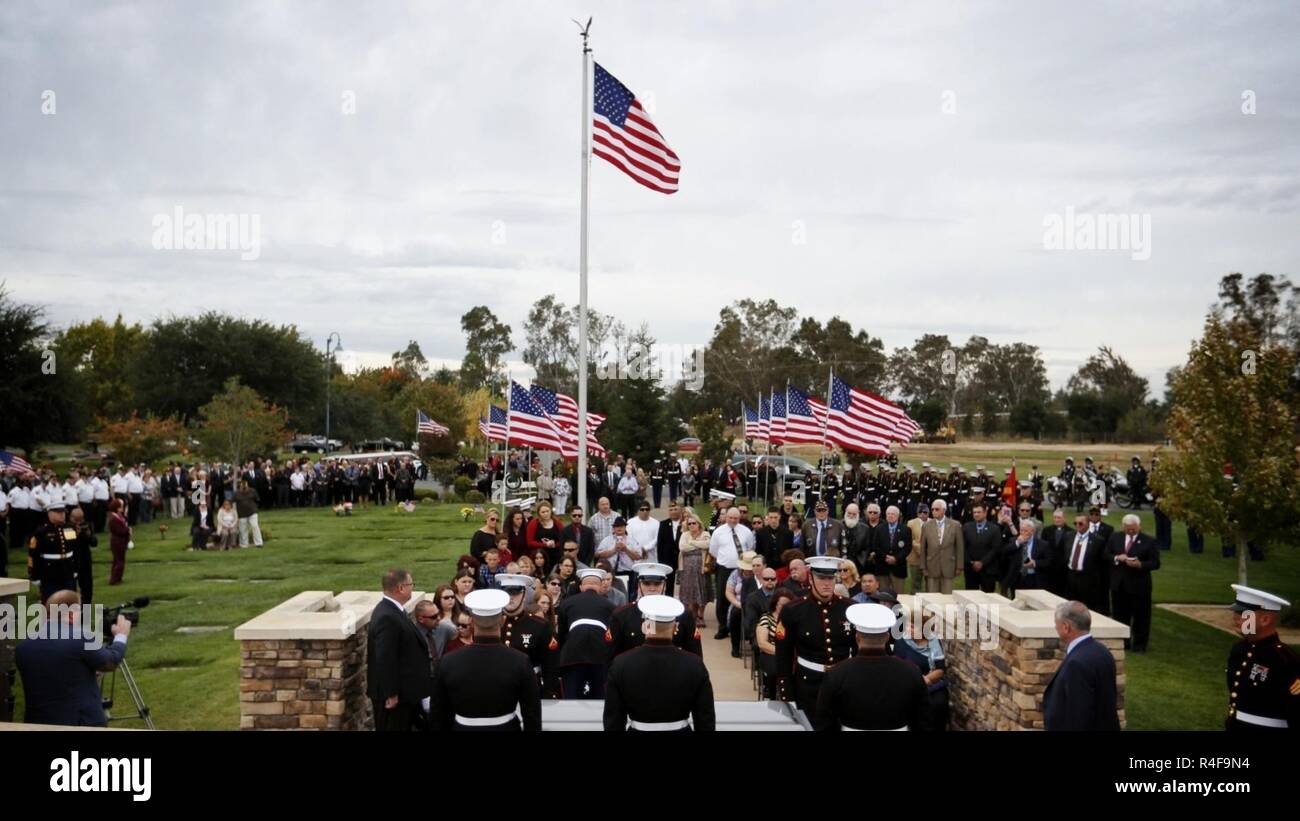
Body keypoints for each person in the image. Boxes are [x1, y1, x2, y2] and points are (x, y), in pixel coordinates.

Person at [15, 590, 132, 726]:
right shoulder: (80, 637)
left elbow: (54, 674)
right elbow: (110, 662)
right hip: (80, 722)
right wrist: (121, 636)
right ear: (71, 614)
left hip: (38, 723)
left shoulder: (23, 647)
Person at [431, 588, 542, 731]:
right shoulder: (519, 661)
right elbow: (531, 713)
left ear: (471, 621)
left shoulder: (448, 661)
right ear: (502, 621)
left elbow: (438, 714)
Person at [604, 595, 716, 732]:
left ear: (646, 626)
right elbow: (705, 716)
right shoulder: (694, 664)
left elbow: (613, 717)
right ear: (675, 627)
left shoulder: (621, 663)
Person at [815, 602, 930, 731]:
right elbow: (922, 720)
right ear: (887, 638)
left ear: (857, 638)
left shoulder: (837, 674)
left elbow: (824, 722)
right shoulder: (911, 672)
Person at [774, 555, 856, 727]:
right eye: (821, 578)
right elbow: (784, 654)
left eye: (831, 578)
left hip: (844, 684)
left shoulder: (850, 608)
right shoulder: (793, 610)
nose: (827, 583)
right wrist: (786, 693)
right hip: (808, 684)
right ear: (810, 577)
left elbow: (857, 650)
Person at [365, 568, 432, 731]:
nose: (412, 588)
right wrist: (391, 693)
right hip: (395, 697)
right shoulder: (387, 616)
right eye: (411, 584)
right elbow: (385, 658)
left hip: (406, 692)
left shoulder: (394, 610)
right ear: (401, 588)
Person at [1224, 584, 1297, 731]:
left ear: (1265, 620)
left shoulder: (1284, 660)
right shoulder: (1239, 650)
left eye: (1244, 614)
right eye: (1236, 612)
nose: (1236, 618)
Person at [1043, 601, 1120, 731]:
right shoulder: (1103, 651)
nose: (1056, 628)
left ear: (1066, 627)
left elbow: (1078, 715)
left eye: (1057, 625)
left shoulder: (1076, 664)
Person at [608, 562, 702, 659]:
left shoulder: (683, 614)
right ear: (639, 586)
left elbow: (695, 655)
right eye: (646, 583)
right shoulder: (622, 615)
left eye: (657, 584)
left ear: (664, 586)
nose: (652, 588)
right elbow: (611, 656)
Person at [554, 567, 617, 699]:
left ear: (582, 587)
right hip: (600, 656)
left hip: (572, 656)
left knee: (571, 700)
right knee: (600, 700)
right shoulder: (610, 606)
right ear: (599, 587)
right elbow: (613, 637)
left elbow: (562, 635)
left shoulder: (566, 603)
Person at [497, 574, 560, 698]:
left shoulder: (540, 625)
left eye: (515, 592)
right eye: (506, 592)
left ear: (524, 595)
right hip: (499, 687)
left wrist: (550, 694)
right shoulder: (493, 623)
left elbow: (550, 666)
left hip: (528, 688)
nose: (510, 597)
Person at [1107, 513, 1160, 653]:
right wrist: (1118, 557)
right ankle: (1123, 643)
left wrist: (1140, 565)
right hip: (1119, 584)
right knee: (1120, 615)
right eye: (1128, 528)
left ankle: (1139, 645)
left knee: (1141, 617)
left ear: (1139, 526)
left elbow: (1155, 563)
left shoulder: (1149, 541)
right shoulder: (1115, 537)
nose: (1130, 531)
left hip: (1139, 586)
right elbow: (1106, 554)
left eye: (1133, 529)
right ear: (1123, 526)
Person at [26, 499, 92, 604]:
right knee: (51, 602)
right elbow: (33, 555)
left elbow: (75, 550)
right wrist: (35, 575)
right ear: (50, 514)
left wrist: (75, 570)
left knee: (70, 602)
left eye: (63, 512)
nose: (62, 515)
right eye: (58, 513)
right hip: (50, 573)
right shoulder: (41, 533)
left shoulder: (69, 529)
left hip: (68, 571)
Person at [707, 507, 754, 640]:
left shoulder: (746, 532)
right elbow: (713, 550)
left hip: (743, 569)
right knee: (722, 598)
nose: (733, 520)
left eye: (736, 518)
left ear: (740, 518)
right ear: (726, 517)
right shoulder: (718, 532)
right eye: (730, 517)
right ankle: (723, 628)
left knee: (743, 596)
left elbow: (750, 548)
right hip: (724, 569)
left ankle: (741, 628)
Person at [895, 616, 949, 730]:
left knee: (939, 703)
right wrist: (916, 681)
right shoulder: (901, 642)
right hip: (909, 684)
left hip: (931, 683)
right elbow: (898, 668)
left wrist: (926, 679)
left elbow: (940, 669)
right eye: (908, 625)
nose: (909, 629)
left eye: (913, 627)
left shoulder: (933, 641)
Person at [755, 588, 796, 699]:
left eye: (787, 605)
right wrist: (782, 652)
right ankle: (771, 695)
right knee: (775, 670)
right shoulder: (766, 618)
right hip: (771, 653)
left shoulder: (795, 619)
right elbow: (762, 644)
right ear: (775, 604)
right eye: (781, 605)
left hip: (792, 654)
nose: (784, 608)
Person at [1064, 513, 1107, 613]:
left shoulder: (1097, 540)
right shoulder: (1069, 536)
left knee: (1086, 606)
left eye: (1080, 523)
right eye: (1075, 523)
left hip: (1087, 577)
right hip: (1071, 575)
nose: (1077, 525)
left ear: (1088, 524)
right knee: (1070, 606)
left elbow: (1101, 563)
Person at [920, 499, 964, 594]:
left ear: (944, 510)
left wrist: (959, 566)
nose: (934, 512)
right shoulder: (926, 526)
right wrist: (923, 567)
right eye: (932, 509)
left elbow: (959, 547)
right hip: (932, 566)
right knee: (932, 597)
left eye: (937, 509)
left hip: (948, 566)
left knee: (947, 597)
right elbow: (923, 548)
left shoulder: (955, 525)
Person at [677, 514, 711, 628]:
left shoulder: (705, 534)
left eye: (693, 523)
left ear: (699, 524)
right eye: (689, 523)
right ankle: (693, 616)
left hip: (702, 568)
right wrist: (698, 545)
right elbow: (682, 547)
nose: (691, 525)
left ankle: (701, 615)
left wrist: (691, 543)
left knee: (702, 591)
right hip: (687, 569)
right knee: (690, 593)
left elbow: (707, 544)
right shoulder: (684, 534)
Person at [962, 503, 1001, 593]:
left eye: (979, 512)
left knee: (988, 598)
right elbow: (963, 547)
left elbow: (995, 549)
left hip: (988, 569)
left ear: (985, 513)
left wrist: (982, 562)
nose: (976, 514)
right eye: (974, 512)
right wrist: (971, 562)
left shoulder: (994, 529)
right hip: (971, 570)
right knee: (970, 597)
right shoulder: (967, 527)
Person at [655, 502, 684, 597]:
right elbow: (660, 544)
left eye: (675, 509)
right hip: (667, 559)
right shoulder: (663, 524)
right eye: (671, 510)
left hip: (682, 558)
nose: (673, 512)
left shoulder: (686, 523)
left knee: (684, 582)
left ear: (680, 510)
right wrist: (661, 561)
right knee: (668, 583)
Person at [525, 502, 564, 571]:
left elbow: (563, 540)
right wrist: (545, 545)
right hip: (539, 557)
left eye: (547, 511)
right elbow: (530, 542)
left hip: (555, 555)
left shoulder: (557, 523)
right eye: (543, 512)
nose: (546, 514)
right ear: (539, 513)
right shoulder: (534, 523)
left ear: (551, 511)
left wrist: (554, 545)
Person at [107, 499, 130, 586]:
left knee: (118, 560)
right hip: (117, 542)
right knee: (119, 561)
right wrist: (128, 530)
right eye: (120, 507)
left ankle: (118, 578)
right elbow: (119, 531)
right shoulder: (113, 519)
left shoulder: (118, 516)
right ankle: (114, 579)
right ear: (116, 508)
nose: (122, 508)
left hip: (121, 541)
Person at [233, 481, 263, 549]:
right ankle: (244, 545)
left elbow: (257, 499)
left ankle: (259, 543)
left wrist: (255, 507)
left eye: (245, 485)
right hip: (241, 514)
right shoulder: (236, 493)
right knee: (243, 529)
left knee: (255, 526)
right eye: (242, 485)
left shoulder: (252, 491)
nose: (244, 487)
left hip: (252, 512)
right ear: (240, 486)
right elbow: (232, 501)